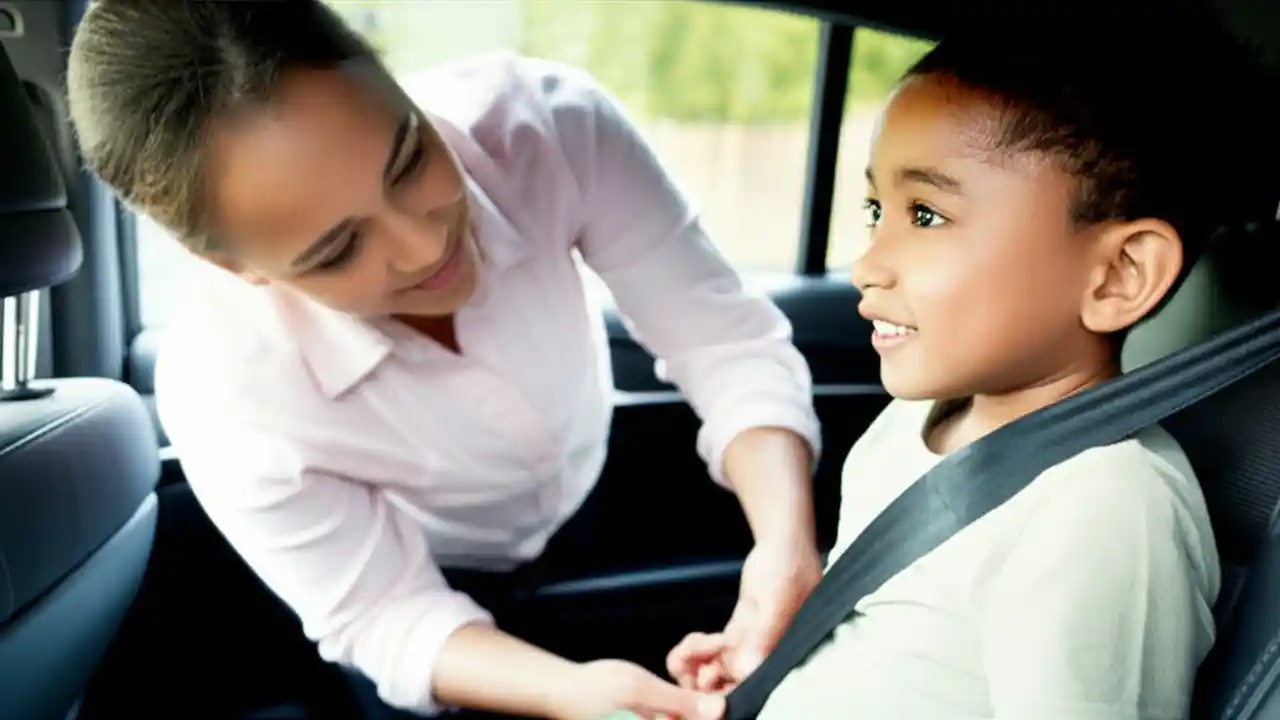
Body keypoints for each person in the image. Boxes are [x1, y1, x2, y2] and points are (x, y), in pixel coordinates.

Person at [66, 2, 826, 719]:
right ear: (237, 267)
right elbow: (383, 613)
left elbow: (720, 340)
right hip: (427, 580)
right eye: (339, 249)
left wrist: (786, 543)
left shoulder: (547, 124)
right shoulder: (220, 394)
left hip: (589, 488)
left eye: (408, 158)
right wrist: (572, 693)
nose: (427, 245)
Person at [669, 5, 1279, 719]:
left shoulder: (1100, 509)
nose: (868, 263)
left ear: (1117, 275)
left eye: (925, 215)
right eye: (875, 211)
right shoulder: (915, 421)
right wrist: (773, 672)